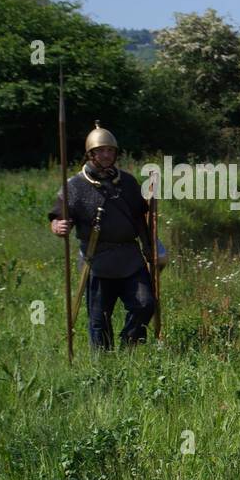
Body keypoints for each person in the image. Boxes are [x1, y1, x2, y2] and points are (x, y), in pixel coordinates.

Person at [48, 122, 157, 349]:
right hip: (96, 260)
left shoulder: (127, 182)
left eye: (110, 151)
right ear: (91, 154)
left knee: (145, 304)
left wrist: (150, 248)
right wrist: (58, 227)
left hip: (130, 257)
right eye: (101, 151)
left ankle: (130, 342)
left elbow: (139, 219)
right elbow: (57, 216)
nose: (106, 155)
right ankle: (104, 369)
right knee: (99, 321)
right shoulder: (75, 186)